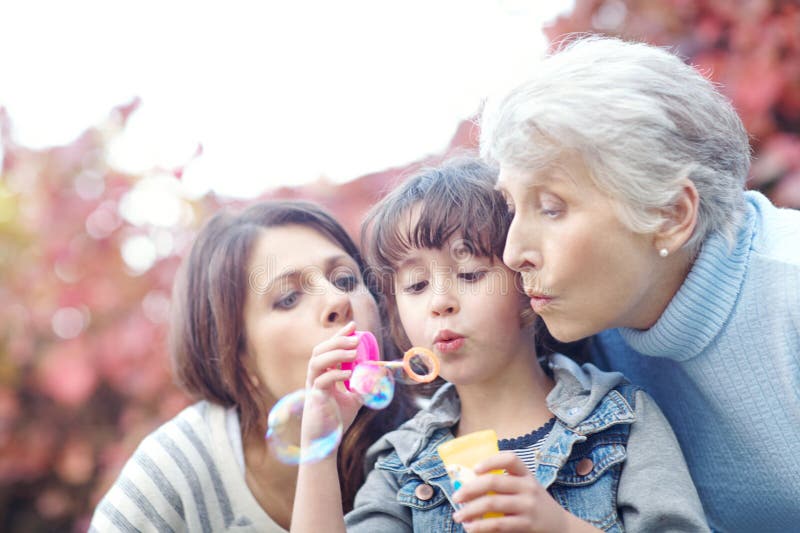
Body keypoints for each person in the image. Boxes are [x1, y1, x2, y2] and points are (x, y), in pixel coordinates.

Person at [481, 35, 800, 533]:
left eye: (551, 208)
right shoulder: (586, 320)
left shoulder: (789, 293)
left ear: (671, 214)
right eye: (511, 206)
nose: (512, 252)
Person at [291, 159, 708, 532]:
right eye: (416, 285)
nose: (440, 302)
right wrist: (318, 446)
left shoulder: (619, 422)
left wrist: (560, 529)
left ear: (528, 281)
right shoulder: (404, 466)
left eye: (470, 273)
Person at [89, 201, 414, 532]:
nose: (338, 300)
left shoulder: (427, 438)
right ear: (238, 357)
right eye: (289, 298)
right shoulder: (178, 466)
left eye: (345, 280)